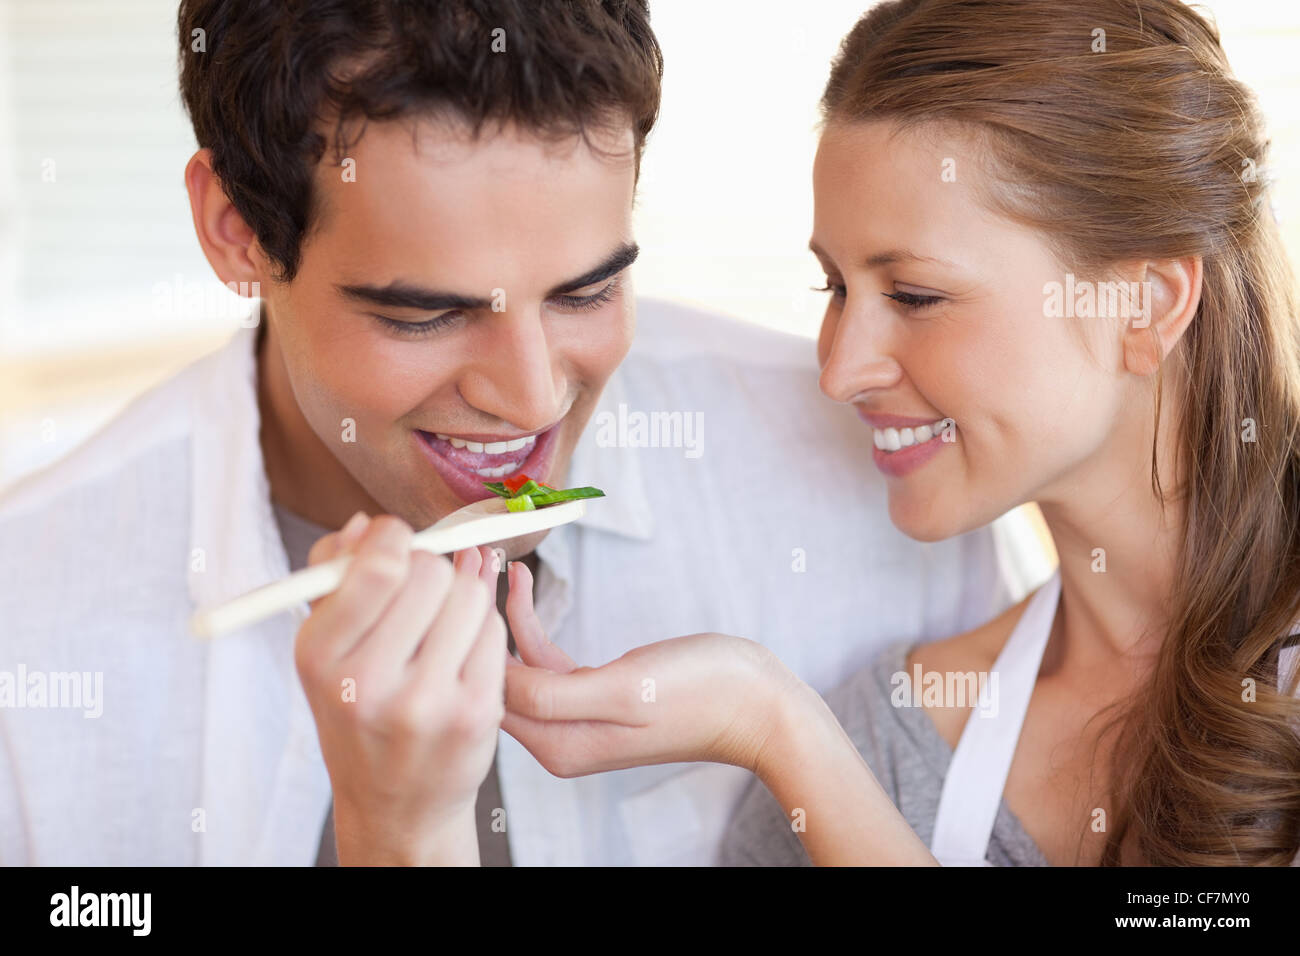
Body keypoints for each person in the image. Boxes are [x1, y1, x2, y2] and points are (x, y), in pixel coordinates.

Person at [0, 0, 1048, 866]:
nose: (534, 398)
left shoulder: (873, 480)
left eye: (586, 292)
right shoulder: (34, 618)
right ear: (234, 230)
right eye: (427, 313)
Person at [498, 0, 1300, 866]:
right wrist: (773, 726)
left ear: (1144, 306)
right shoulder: (879, 742)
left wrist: (782, 736)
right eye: (834, 289)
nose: (840, 372)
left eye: (915, 296)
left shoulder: (824, 764)